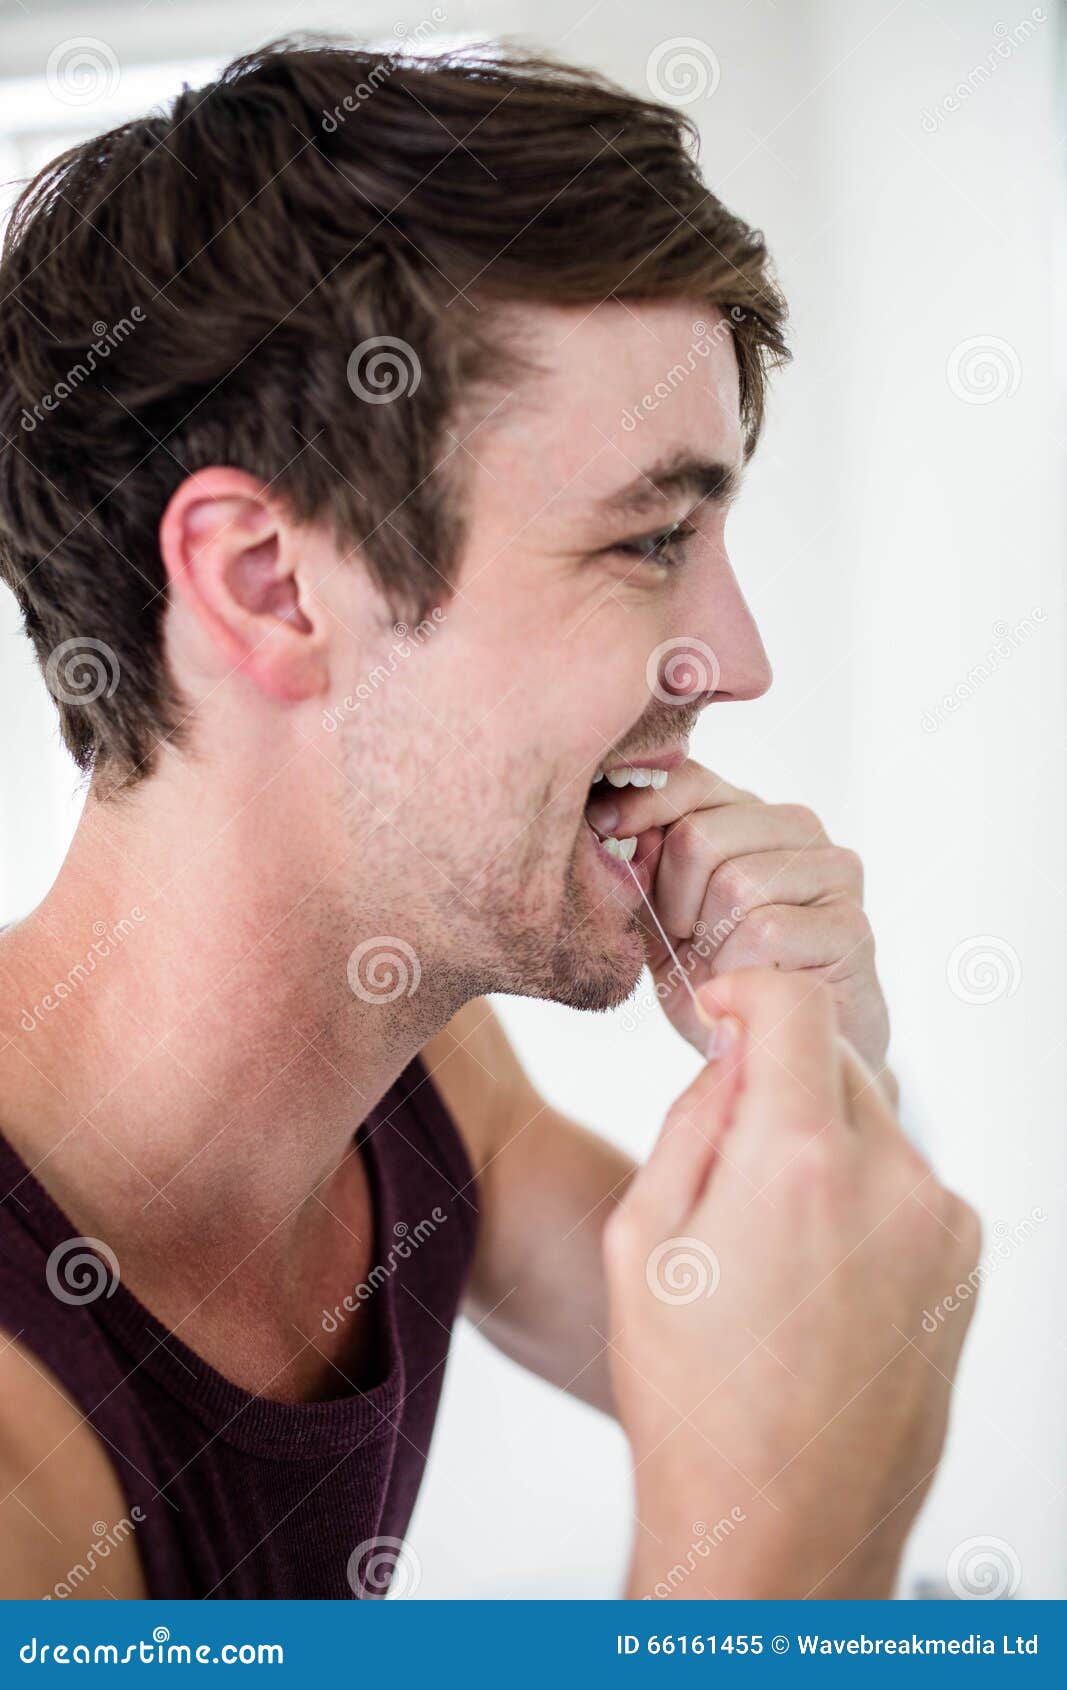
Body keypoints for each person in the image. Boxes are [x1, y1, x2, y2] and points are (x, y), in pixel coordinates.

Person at [0, 43, 979, 1600]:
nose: (738, 661)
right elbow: (787, 1492)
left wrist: (829, 1064)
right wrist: (782, 1568)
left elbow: (800, 1367)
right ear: (267, 583)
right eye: (648, 540)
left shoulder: (422, 1077)